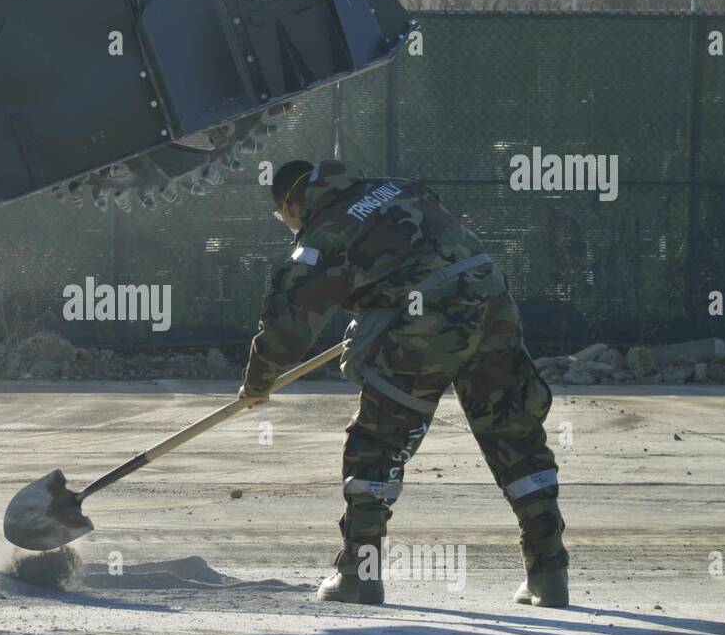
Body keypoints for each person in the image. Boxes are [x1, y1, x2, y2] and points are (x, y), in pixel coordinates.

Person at [239, 160, 568, 607]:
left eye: (284, 216)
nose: (288, 225)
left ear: (292, 204)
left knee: (377, 444)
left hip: (424, 325)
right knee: (515, 434)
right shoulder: (398, 186)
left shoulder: (325, 232)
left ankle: (359, 576)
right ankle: (549, 574)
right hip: (490, 298)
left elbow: (291, 321)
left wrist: (258, 381)